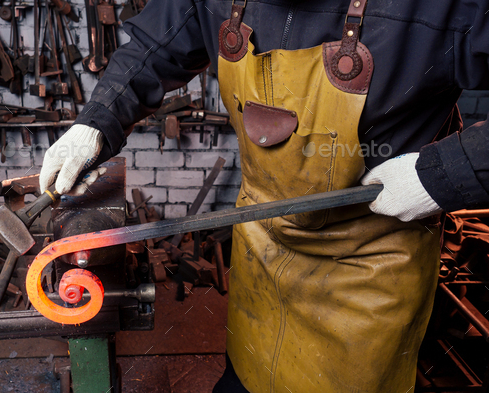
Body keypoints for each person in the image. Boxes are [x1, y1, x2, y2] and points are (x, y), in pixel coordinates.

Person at [39, 0, 489, 391]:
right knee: (249, 376)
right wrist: (97, 120)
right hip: (264, 245)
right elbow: (156, 42)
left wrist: (444, 173)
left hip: (372, 260)